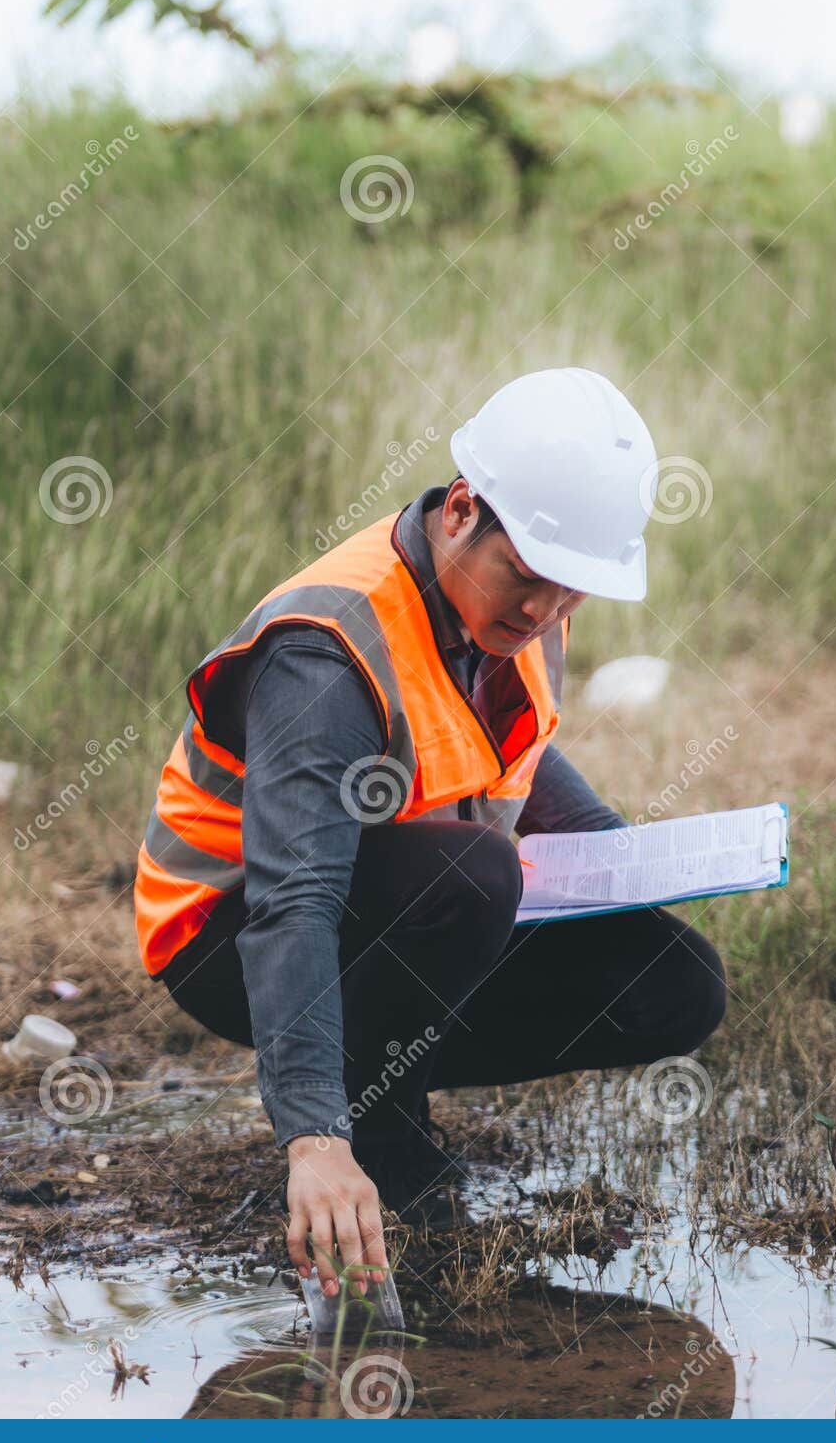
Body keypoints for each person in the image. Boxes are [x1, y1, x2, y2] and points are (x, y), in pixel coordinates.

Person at [133, 368, 726, 1301]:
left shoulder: (523, 608)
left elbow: (508, 749)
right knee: (475, 877)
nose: (542, 613)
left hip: (399, 900)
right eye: (525, 580)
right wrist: (312, 1139)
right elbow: (295, 901)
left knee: (676, 986)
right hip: (230, 933)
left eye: (569, 594)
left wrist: (623, 864)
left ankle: (378, 1088)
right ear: (460, 510)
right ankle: (372, 1137)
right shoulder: (326, 650)